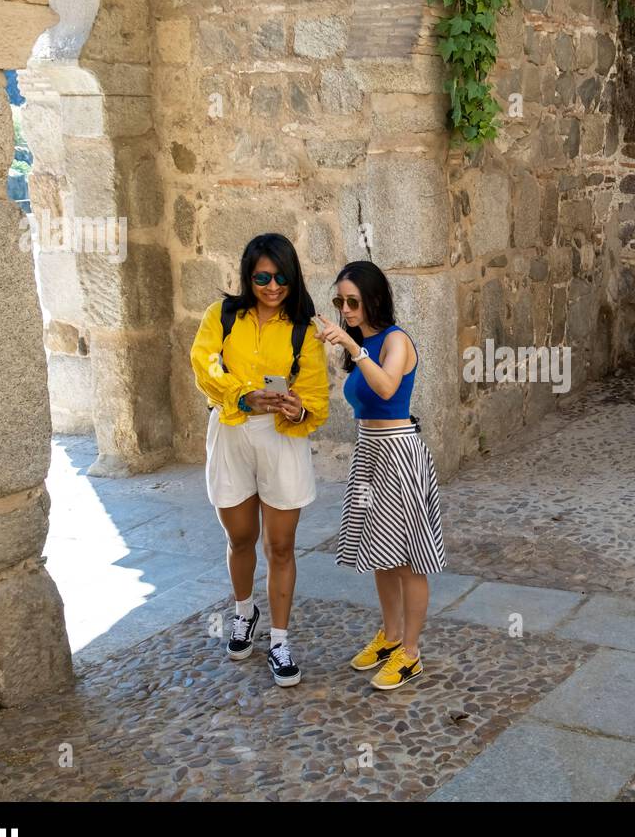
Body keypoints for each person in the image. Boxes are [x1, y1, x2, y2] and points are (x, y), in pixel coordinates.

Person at [189, 233, 329, 687]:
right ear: (249, 276)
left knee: (281, 546)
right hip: (231, 427)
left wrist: (298, 408)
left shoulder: (302, 327)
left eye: (281, 276)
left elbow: (315, 391)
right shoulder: (222, 315)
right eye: (263, 277)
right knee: (241, 536)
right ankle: (243, 612)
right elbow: (203, 363)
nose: (273, 286)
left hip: (281, 437)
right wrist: (242, 396)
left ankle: (281, 640)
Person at [315, 260, 446, 690]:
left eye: (352, 301)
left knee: (408, 559)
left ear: (373, 299)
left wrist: (353, 350)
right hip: (369, 452)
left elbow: (388, 387)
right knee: (380, 552)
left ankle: (410, 654)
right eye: (340, 301)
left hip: (398, 452)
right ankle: (390, 638)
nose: (346, 310)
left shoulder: (396, 340)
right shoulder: (362, 341)